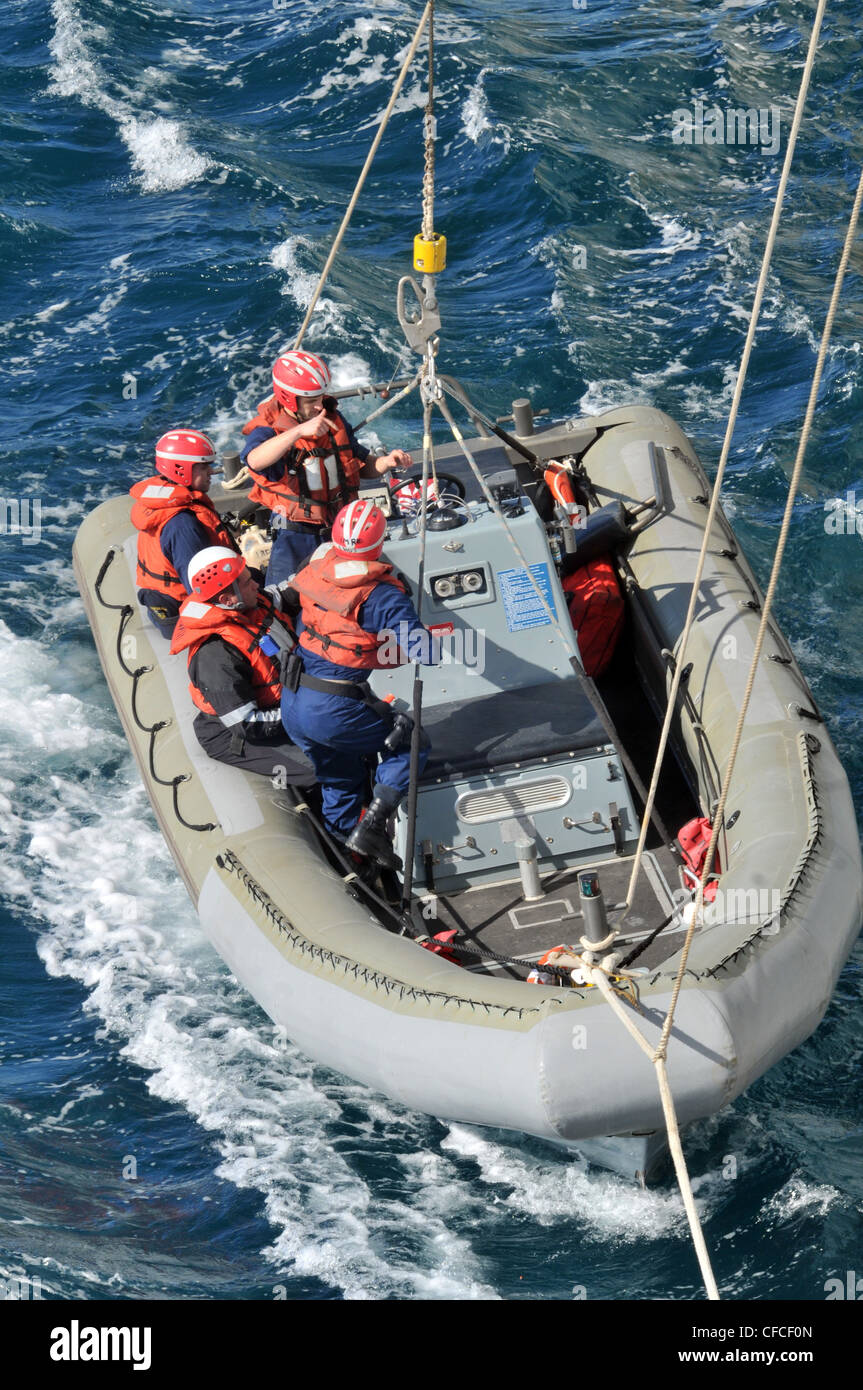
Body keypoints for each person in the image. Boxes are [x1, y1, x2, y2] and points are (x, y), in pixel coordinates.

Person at [280, 499, 439, 869]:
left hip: (294, 700)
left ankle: (352, 861)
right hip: (334, 708)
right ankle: (372, 825)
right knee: (413, 742)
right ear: (379, 543)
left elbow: (290, 601)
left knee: (341, 777)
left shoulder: (317, 566)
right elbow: (426, 653)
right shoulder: (382, 595)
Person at [240, 350, 412, 586]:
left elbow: (361, 465)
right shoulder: (268, 431)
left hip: (340, 532)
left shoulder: (334, 420)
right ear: (289, 398)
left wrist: (386, 462)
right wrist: (299, 431)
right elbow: (254, 460)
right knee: (287, 602)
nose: (319, 405)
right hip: (296, 537)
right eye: (311, 401)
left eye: (321, 398)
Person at [169, 546, 316, 789]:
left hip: (287, 703)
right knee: (321, 768)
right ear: (227, 599)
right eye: (247, 582)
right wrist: (309, 713)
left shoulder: (249, 604)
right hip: (237, 733)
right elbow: (247, 724)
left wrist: (324, 560)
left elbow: (286, 595)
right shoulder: (216, 654)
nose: (256, 585)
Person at [130, 429, 239, 637]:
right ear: (181, 469)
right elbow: (202, 591)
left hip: (164, 602)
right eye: (204, 466)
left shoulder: (164, 504)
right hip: (179, 612)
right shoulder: (183, 526)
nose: (211, 472)